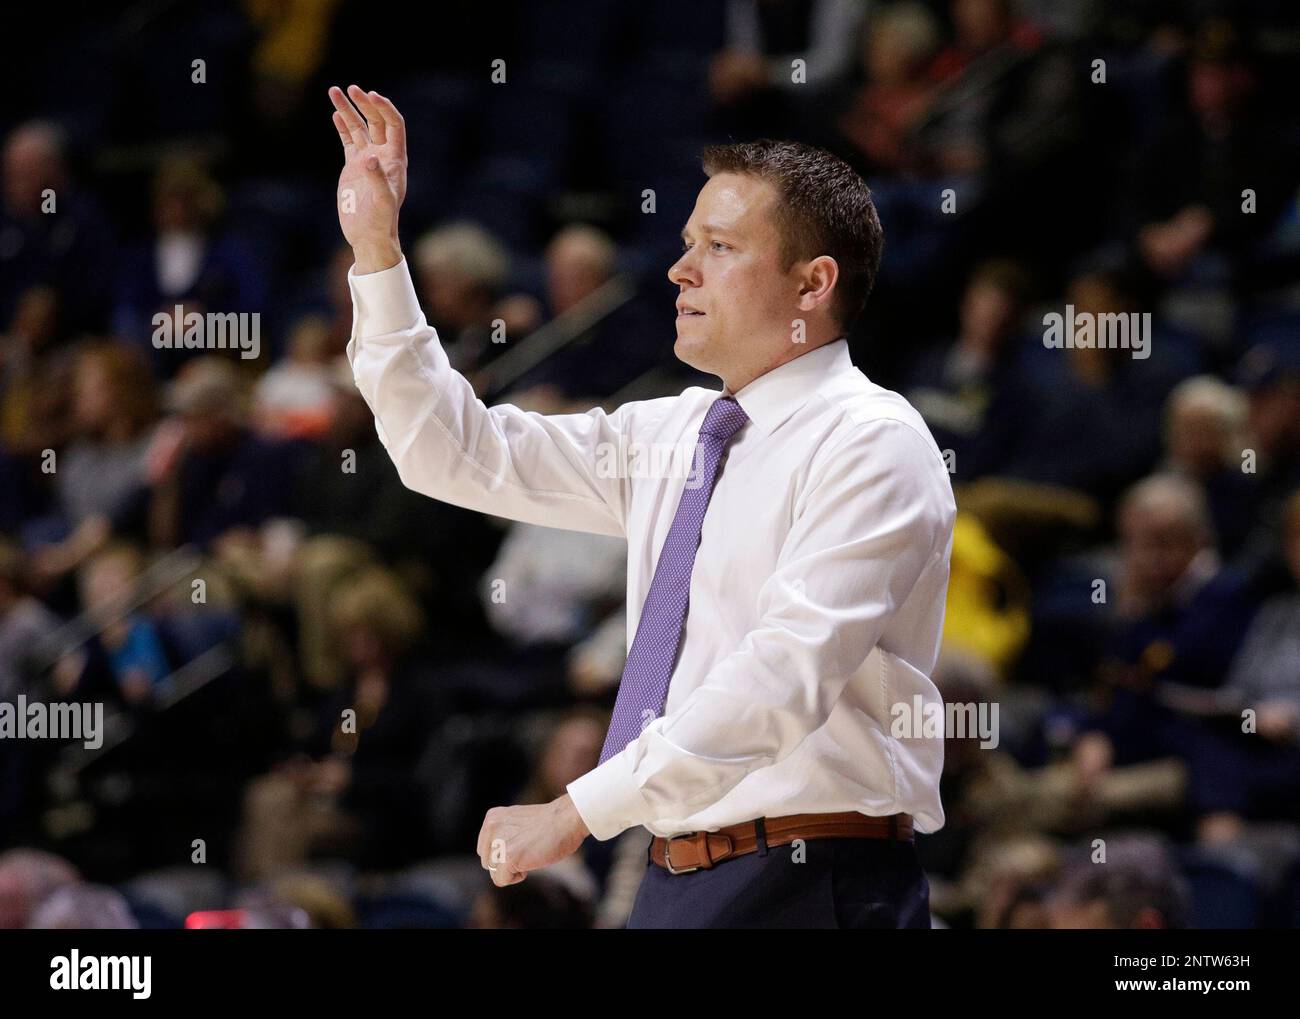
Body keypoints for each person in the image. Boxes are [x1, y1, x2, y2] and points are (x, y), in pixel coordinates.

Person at [328, 83, 955, 928]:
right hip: (674, 872)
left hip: (816, 877)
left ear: (813, 285)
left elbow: (783, 676)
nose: (679, 268)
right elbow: (454, 452)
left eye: (720, 246)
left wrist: (577, 808)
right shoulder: (678, 430)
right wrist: (376, 254)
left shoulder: (873, 440)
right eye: (688, 240)